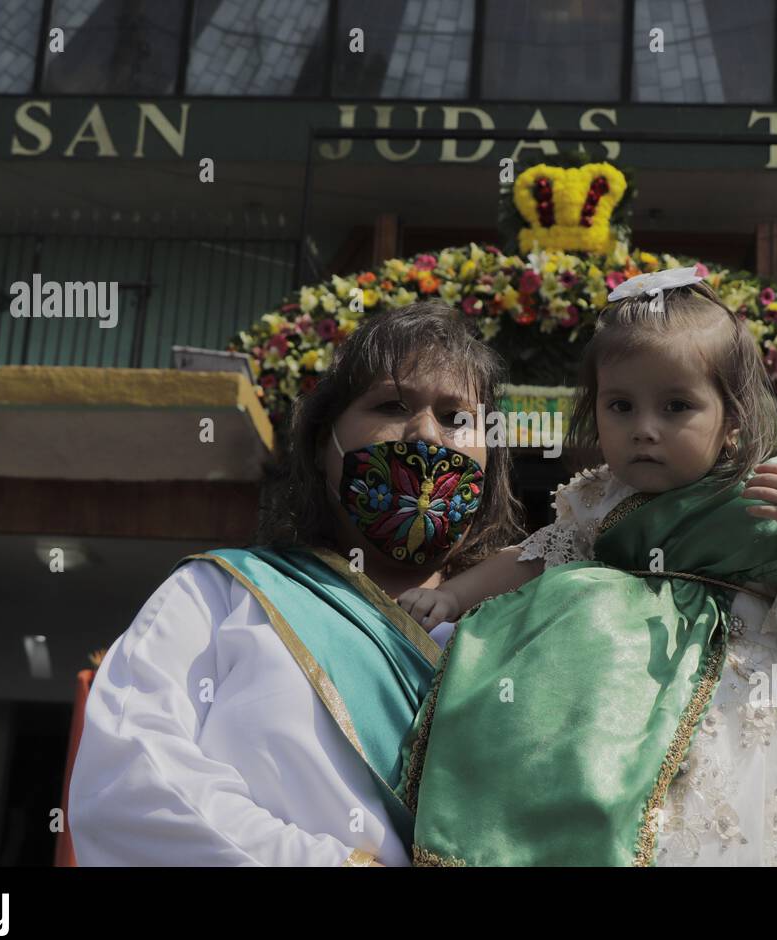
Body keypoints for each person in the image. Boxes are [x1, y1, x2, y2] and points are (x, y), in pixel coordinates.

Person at [397, 268, 777, 866]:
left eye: (677, 406)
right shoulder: (598, 500)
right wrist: (452, 597)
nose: (645, 430)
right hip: (606, 727)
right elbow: (534, 557)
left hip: (739, 722)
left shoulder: (767, 497)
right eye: (621, 406)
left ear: (733, 417)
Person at [68, 302, 525, 865]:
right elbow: (130, 787)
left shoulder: (529, 626)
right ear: (320, 446)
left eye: (457, 417)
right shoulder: (220, 596)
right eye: (391, 405)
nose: (426, 433)